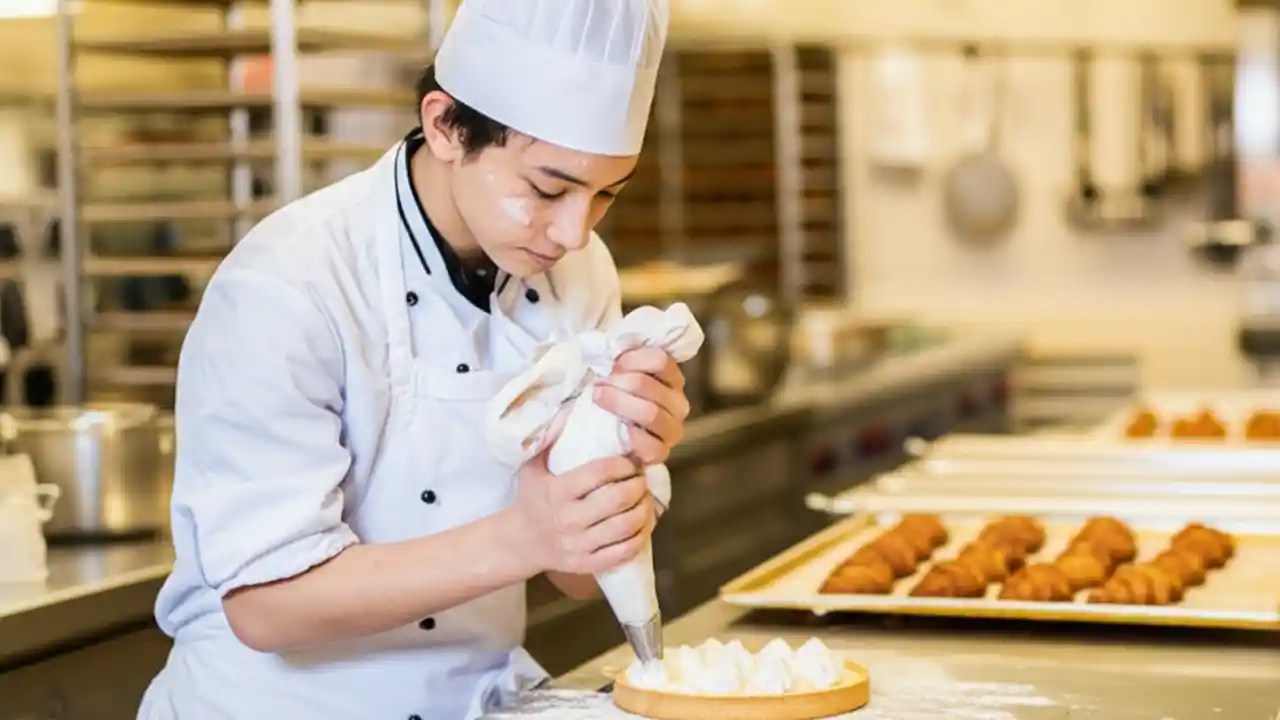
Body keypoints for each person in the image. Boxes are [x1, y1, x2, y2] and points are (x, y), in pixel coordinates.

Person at [137, 1, 683, 718]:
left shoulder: (578, 274)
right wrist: (524, 536)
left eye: (606, 193)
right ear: (445, 125)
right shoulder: (290, 283)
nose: (575, 231)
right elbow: (267, 607)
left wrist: (616, 488)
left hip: (475, 701)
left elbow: (576, 577)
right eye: (547, 188)